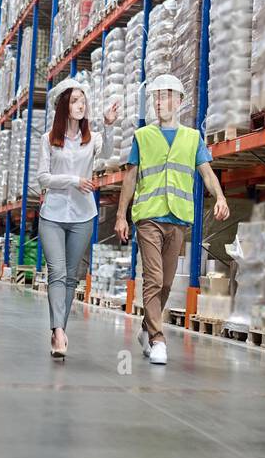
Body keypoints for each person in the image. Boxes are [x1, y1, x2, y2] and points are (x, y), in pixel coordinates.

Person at [114, 74, 229, 365]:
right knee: (152, 278)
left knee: (165, 283)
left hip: (178, 217)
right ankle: (158, 338)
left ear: (179, 101)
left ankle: (146, 327)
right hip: (149, 217)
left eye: (165, 96)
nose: (159, 101)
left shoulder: (192, 138)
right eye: (156, 96)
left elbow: (206, 172)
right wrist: (121, 216)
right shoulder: (142, 136)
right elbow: (130, 178)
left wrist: (221, 197)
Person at [36, 77, 119, 359]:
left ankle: (59, 327)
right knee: (57, 272)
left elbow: (107, 154)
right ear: (63, 106)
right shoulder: (47, 140)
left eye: (83, 100)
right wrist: (74, 180)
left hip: (83, 216)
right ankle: (59, 332)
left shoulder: (91, 139)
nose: (81, 105)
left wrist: (108, 125)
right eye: (75, 100)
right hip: (53, 215)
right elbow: (43, 178)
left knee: (71, 276)